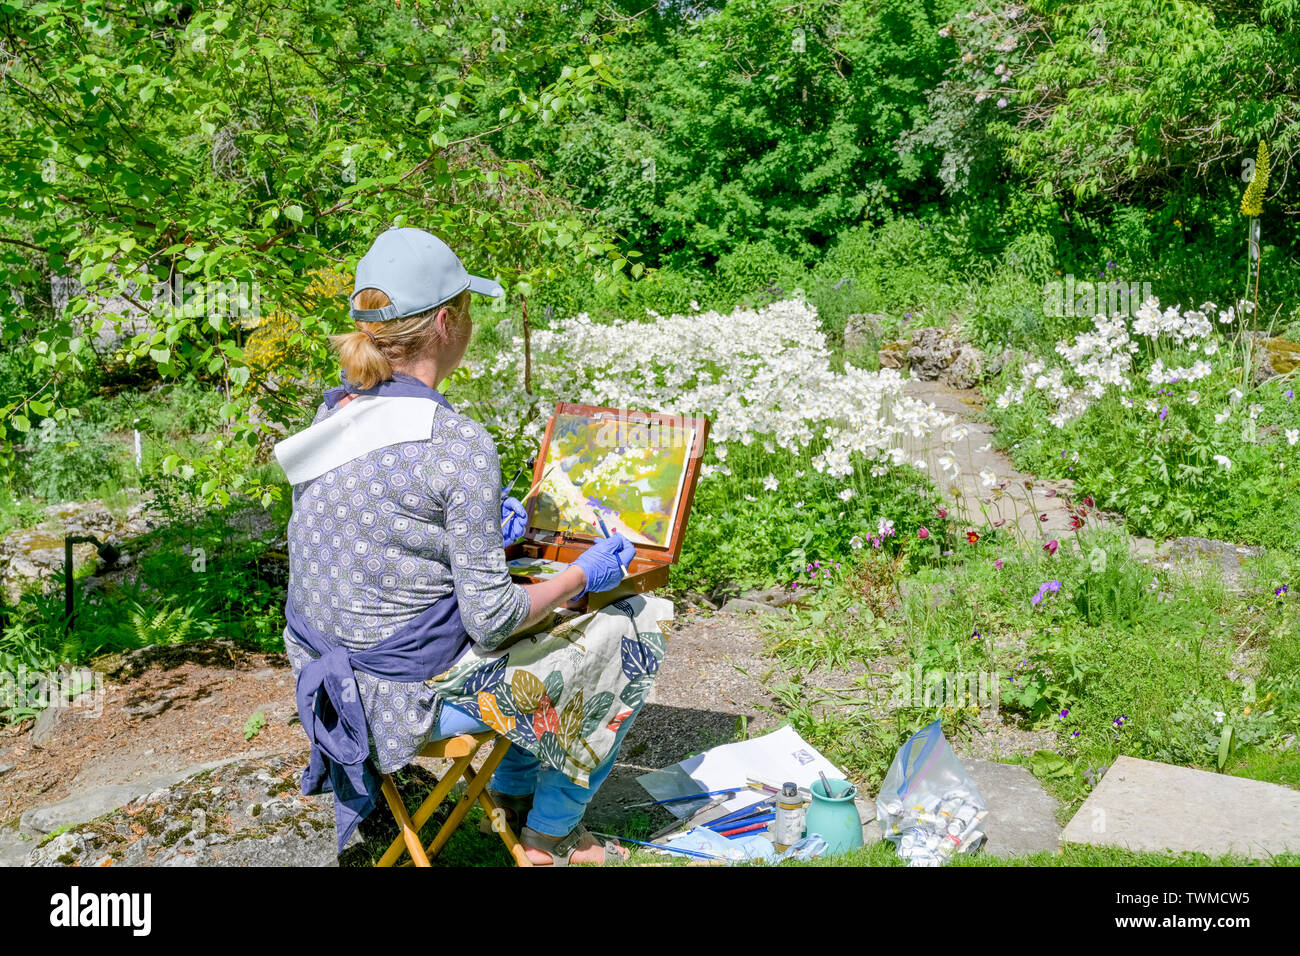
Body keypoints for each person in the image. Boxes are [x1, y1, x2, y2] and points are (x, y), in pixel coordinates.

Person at [274, 227, 670, 866]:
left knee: (540, 610)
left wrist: (488, 529)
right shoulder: (456, 444)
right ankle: (552, 829)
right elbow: (492, 622)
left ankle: (509, 786)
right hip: (397, 707)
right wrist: (585, 575)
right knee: (631, 622)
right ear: (443, 323)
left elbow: (385, 538)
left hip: (324, 687)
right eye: (468, 310)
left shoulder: (334, 414)